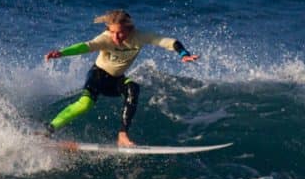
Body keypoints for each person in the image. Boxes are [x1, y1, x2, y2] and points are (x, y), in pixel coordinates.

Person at [44, 10, 199, 147]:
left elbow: (168, 41)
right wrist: (62, 53)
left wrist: (183, 54)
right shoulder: (106, 38)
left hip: (116, 80)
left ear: (130, 29)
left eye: (120, 33)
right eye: (112, 32)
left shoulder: (139, 37)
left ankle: (122, 135)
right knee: (84, 105)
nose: (116, 37)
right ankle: (49, 130)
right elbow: (86, 46)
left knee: (133, 88)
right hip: (97, 76)